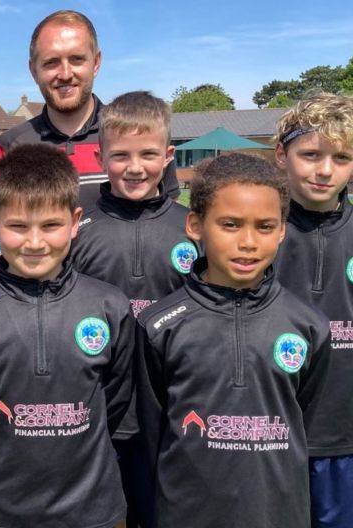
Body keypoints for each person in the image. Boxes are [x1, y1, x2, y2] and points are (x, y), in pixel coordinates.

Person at [137, 154, 332, 528]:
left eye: (264, 226)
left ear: (281, 231)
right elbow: (151, 435)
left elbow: (305, 421)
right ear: (194, 224)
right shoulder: (159, 326)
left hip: (277, 514)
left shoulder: (307, 326)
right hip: (186, 513)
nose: (248, 242)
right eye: (229, 224)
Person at [0, 144, 134, 528]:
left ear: (75, 221)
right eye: (18, 227)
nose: (35, 243)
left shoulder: (109, 306)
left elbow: (115, 405)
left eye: (50, 225)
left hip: (91, 511)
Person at [273, 93, 353, 528]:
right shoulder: (259, 229)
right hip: (265, 423)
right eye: (310, 154)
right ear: (281, 154)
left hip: (341, 424)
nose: (325, 170)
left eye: (341, 157)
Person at [71, 91, 195, 528]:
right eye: (121, 155)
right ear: (100, 155)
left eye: (148, 154)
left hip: (174, 410)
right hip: (101, 413)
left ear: (168, 155)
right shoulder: (77, 226)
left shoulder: (191, 227)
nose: (135, 167)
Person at [0, 10, 179, 208]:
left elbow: (166, 224)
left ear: (96, 63)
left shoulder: (143, 136)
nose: (65, 74)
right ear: (34, 70)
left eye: (76, 59)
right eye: (51, 62)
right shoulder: (9, 147)